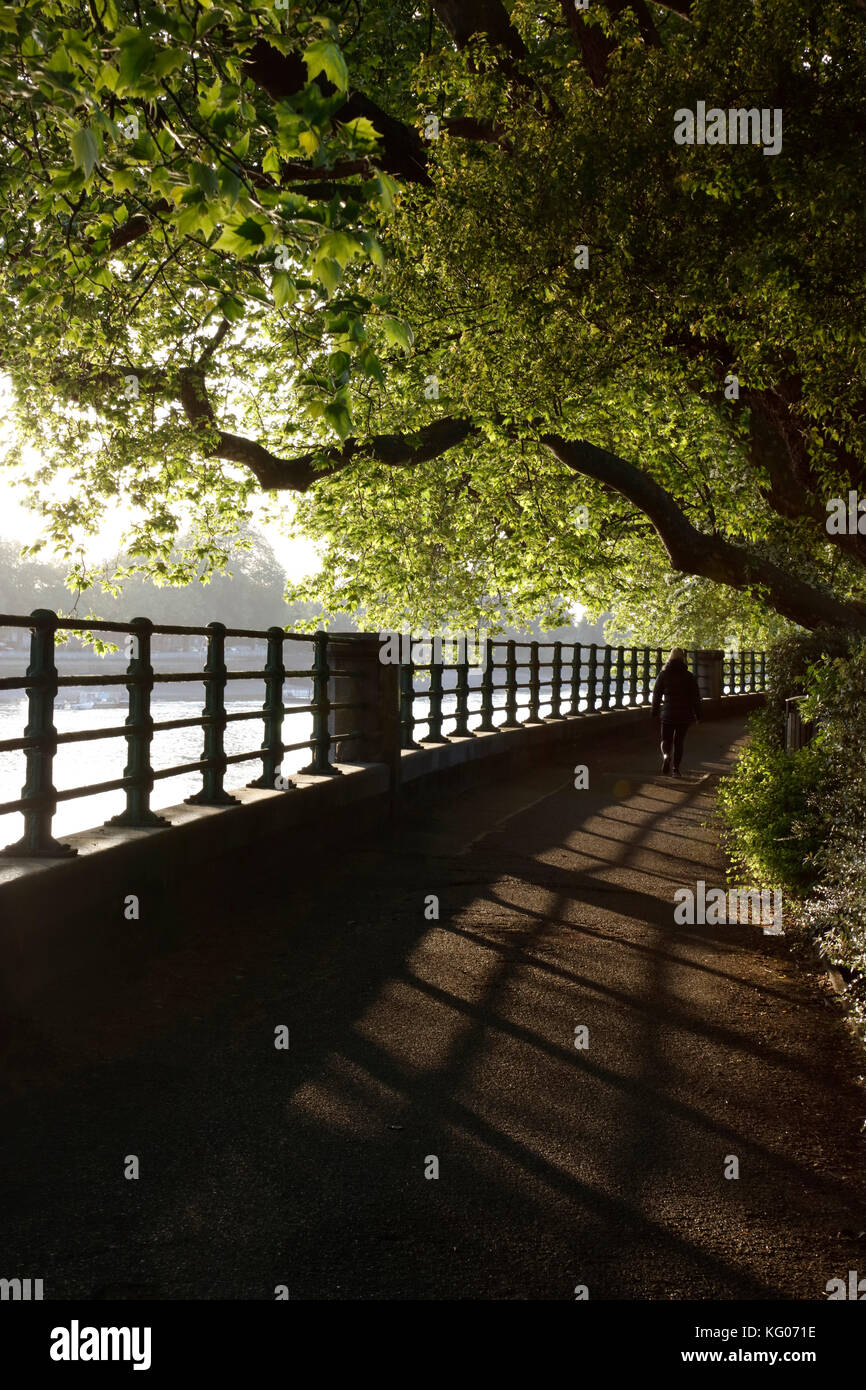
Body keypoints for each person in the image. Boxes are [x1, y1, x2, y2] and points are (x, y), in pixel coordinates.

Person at [650, 647, 702, 777]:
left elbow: (656, 694)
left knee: (665, 740)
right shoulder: (689, 676)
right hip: (684, 714)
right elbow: (696, 698)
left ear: (670, 657)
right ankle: (676, 770)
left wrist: (654, 711)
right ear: (683, 659)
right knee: (679, 742)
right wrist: (699, 716)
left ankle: (666, 755)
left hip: (668, 714)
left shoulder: (663, 674)